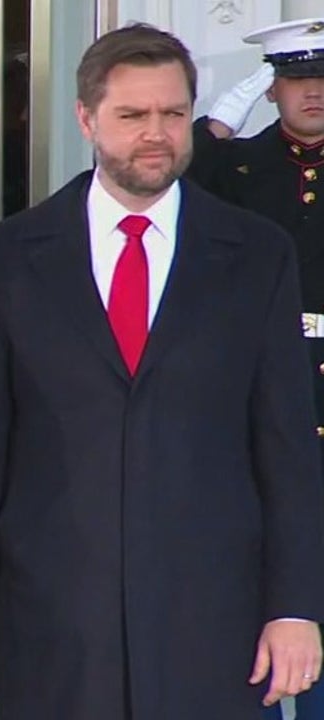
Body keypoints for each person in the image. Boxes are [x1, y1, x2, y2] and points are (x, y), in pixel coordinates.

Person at [0, 23, 324, 720]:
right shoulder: (7, 260)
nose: (155, 133)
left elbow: (285, 445)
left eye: (173, 114)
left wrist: (295, 608)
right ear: (86, 119)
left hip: (213, 627)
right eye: (132, 116)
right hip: (52, 628)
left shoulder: (256, 255)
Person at [185, 17, 324, 720]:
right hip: (261, 390)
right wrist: (217, 123)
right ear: (273, 89)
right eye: (299, 80)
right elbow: (177, 187)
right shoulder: (236, 167)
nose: (315, 95)